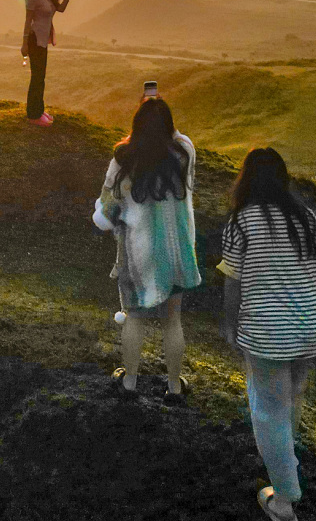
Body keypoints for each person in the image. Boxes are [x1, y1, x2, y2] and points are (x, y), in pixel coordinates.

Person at [218, 147, 316, 520]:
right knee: (291, 400)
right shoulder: (306, 218)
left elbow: (232, 286)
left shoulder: (241, 223)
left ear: (247, 180)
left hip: (266, 335)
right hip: (309, 330)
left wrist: (229, 322)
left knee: (268, 412)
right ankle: (288, 461)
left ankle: (284, 500)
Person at [92, 94, 201, 402]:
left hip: (137, 254)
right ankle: (174, 388)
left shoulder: (123, 161)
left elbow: (105, 213)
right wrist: (160, 117)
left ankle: (130, 383)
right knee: (172, 320)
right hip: (176, 251)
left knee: (135, 317)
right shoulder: (184, 153)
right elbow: (177, 137)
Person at [20, 0, 85, 126]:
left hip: (42, 41)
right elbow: (28, 21)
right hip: (35, 40)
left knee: (41, 77)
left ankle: (38, 110)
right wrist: (24, 44)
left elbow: (61, 8)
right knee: (37, 77)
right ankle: (33, 115)